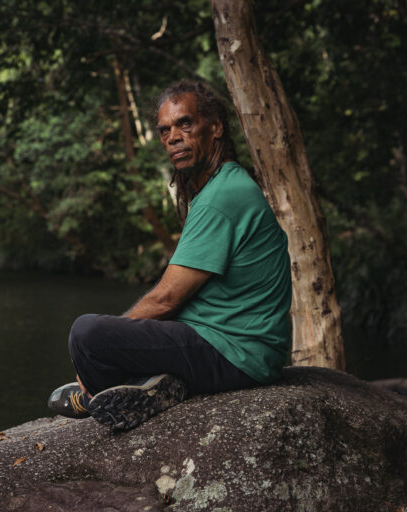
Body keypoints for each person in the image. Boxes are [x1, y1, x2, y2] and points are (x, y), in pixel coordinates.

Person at [47, 80, 292, 431]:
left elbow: (166, 298)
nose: (173, 137)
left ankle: (98, 392)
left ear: (216, 127)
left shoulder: (223, 195)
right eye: (165, 131)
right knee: (105, 337)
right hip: (232, 345)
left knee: (87, 335)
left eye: (185, 124)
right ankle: (152, 382)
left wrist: (94, 355)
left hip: (236, 353)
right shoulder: (222, 185)